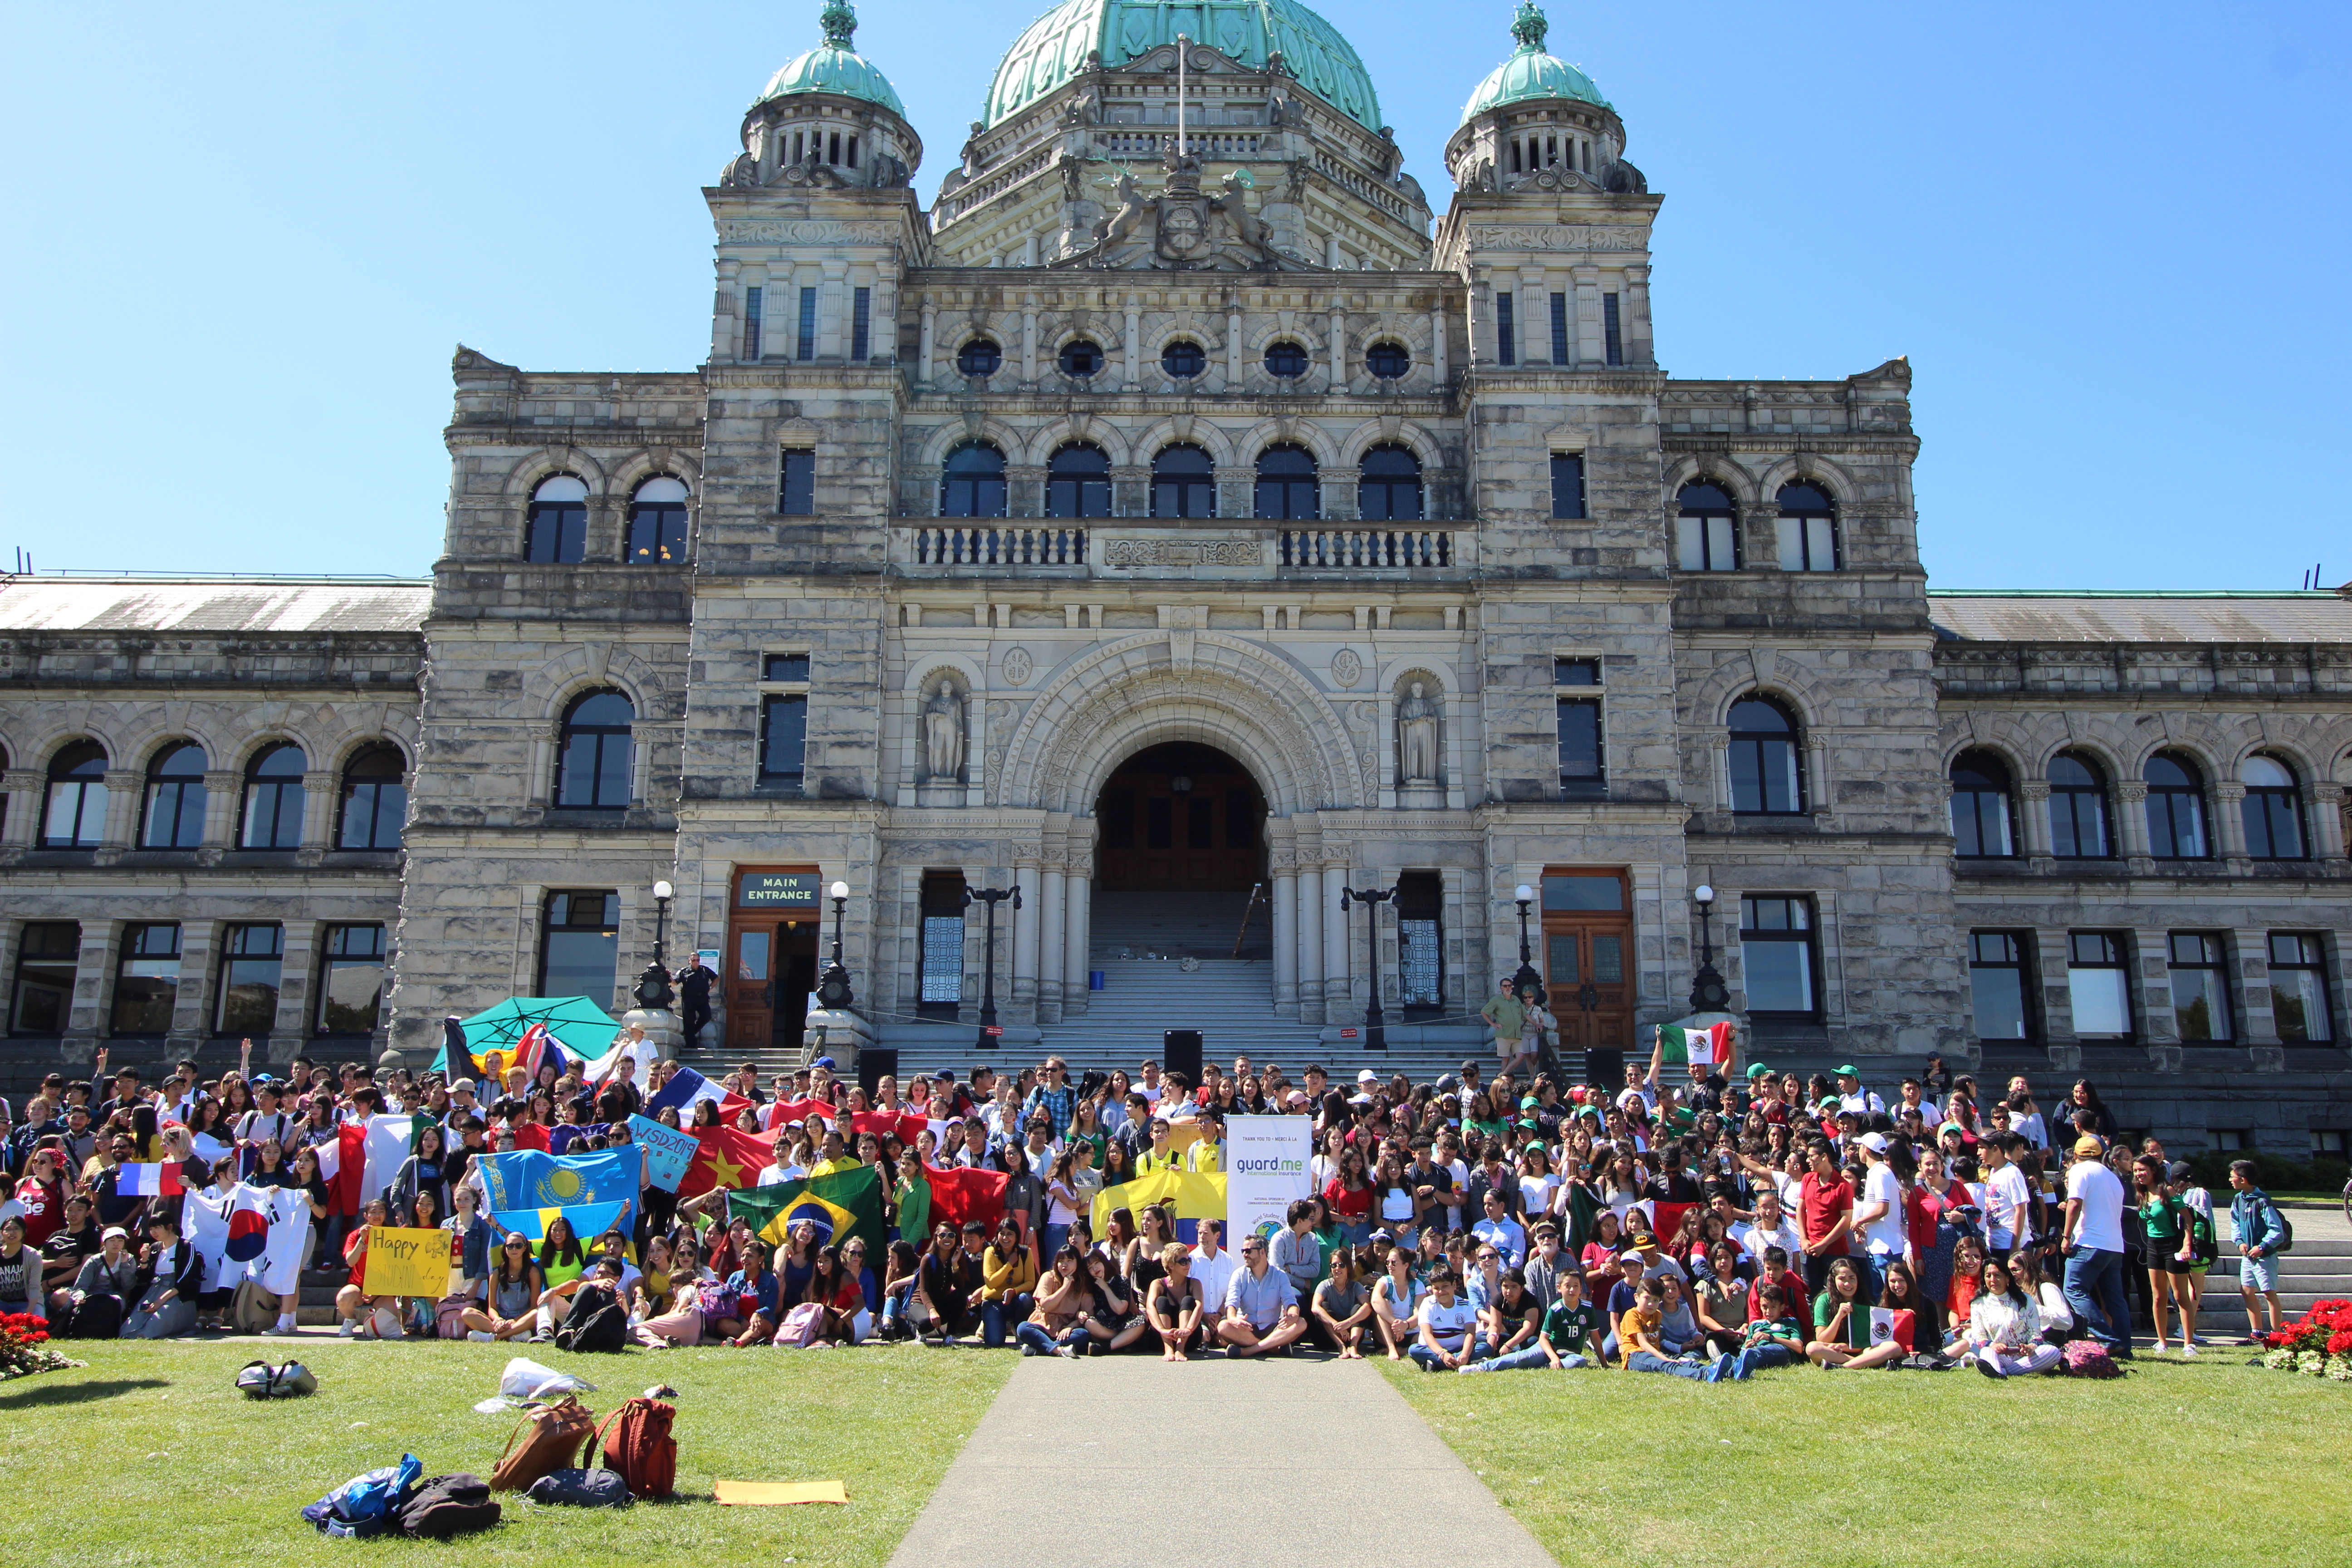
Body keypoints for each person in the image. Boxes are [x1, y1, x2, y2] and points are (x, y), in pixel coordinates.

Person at [2060, 1134, 2134, 1357]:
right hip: (2114, 1245)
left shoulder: (2079, 1171)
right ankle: (2124, 1348)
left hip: (2090, 1243)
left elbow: (2074, 1203)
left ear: (2076, 1155)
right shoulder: (2113, 1177)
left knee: (2073, 1289)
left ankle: (2107, 1338)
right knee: (2115, 1300)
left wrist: (2066, 1236)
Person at [1954, 1254, 2060, 1377]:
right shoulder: (1978, 1304)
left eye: (1997, 1275)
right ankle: (1997, 1368)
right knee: (1986, 1351)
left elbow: (2035, 1333)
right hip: (1998, 1355)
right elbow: (1980, 1336)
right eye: (1988, 1276)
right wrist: (1994, 1345)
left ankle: (2003, 1372)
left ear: (2007, 1279)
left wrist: (2031, 1346)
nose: (1993, 1280)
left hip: (2024, 1356)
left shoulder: (2025, 1299)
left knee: (2053, 1352)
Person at [1218, 1231, 1307, 1357]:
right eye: (1243, 1251)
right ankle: (1274, 1348)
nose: (1245, 1255)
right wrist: (1233, 1319)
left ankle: (1248, 1351)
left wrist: (1293, 1315)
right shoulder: (1239, 1275)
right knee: (1223, 1326)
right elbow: (1232, 1302)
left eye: (1248, 1251)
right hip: (1247, 1328)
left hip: (1273, 1328)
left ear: (1262, 1252)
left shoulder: (1280, 1275)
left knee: (1301, 1323)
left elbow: (1290, 1301)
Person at [1806, 1256, 1904, 1369]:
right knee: (1812, 1348)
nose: (1848, 1284)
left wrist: (1846, 1347)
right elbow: (1822, 1339)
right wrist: (1839, 1316)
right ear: (1833, 1280)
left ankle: (1844, 1366)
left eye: (1852, 1278)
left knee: (1894, 1347)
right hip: (1834, 1351)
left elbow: (1869, 1340)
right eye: (1842, 1279)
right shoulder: (1824, 1300)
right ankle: (1864, 1363)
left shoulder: (1867, 1302)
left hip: (1861, 1351)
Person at [2228, 1158, 2288, 1341]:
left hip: (2264, 1256)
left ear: (2243, 1180)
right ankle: (2257, 1333)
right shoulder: (2239, 1199)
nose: (2230, 1180)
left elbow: (2277, 1230)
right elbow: (2235, 1223)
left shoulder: (2262, 1201)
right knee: (2246, 1291)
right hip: (2248, 1257)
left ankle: (2276, 1334)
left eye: (2233, 1177)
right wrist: (2239, 1242)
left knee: (2269, 1293)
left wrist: (2262, 1247)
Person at [123, 1210, 201, 1340]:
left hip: (176, 1294)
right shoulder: (155, 1247)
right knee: (129, 1328)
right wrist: (144, 1260)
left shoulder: (186, 1246)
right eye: (151, 1229)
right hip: (154, 1291)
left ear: (169, 1227)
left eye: (157, 1228)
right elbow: (144, 1278)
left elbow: (186, 1279)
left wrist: (161, 1300)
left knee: (154, 1327)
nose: (154, 1232)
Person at [1408, 1268, 1479, 1371]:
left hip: (1459, 1349)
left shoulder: (1465, 1305)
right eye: (1436, 1288)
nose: (1441, 1292)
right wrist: (1442, 1354)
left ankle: (1439, 1364)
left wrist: (1465, 1354)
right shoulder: (1428, 1303)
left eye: (1445, 1286)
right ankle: (1457, 1363)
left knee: (1484, 1347)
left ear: (1454, 1285)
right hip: (1435, 1351)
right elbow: (1427, 1334)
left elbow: (1470, 1332)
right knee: (1414, 1350)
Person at [1311, 1246, 1372, 1357]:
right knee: (1322, 1307)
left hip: (1350, 1335)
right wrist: (1336, 1325)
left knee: (1360, 1308)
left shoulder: (1356, 1286)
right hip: (1328, 1337)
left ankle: (1353, 1347)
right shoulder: (1324, 1285)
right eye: (1334, 1265)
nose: (1337, 1269)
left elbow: (1367, 1307)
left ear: (1348, 1267)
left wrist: (1347, 1323)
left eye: (1342, 1265)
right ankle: (1341, 1347)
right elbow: (1315, 1307)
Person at [1146, 1244, 1204, 1360]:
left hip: (1189, 1337)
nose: (1188, 1265)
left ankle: (1180, 1349)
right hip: (1161, 1337)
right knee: (1161, 1300)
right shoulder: (1158, 1284)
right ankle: (1168, 1349)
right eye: (1183, 1262)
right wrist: (1163, 1331)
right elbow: (1150, 1307)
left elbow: (1199, 1306)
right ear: (1171, 1265)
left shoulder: (1195, 1284)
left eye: (1189, 1261)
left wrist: (1188, 1330)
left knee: (1188, 1300)